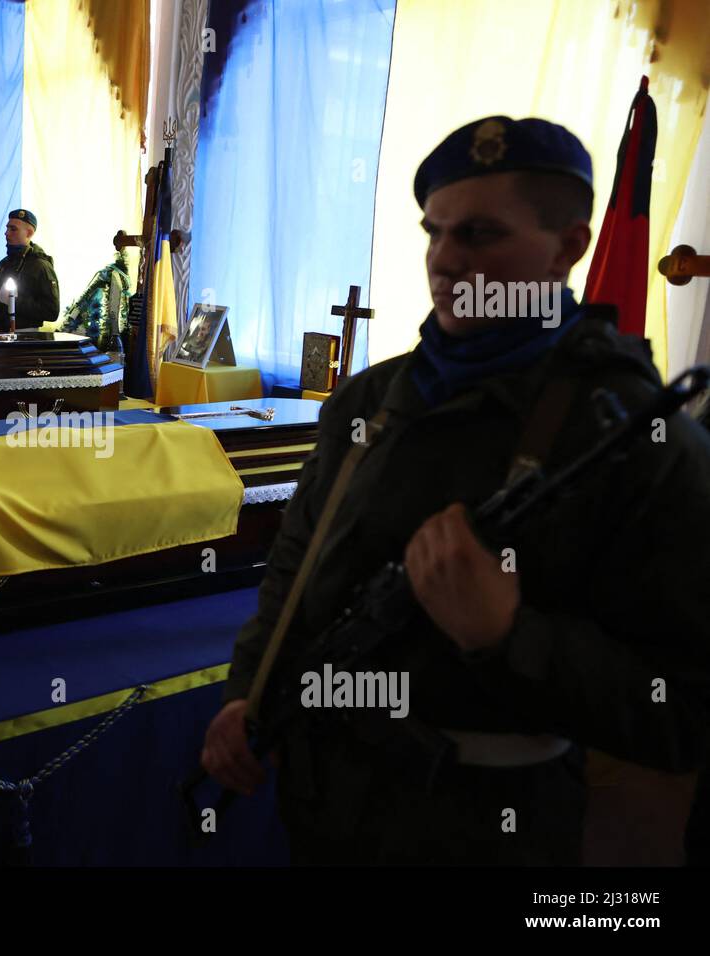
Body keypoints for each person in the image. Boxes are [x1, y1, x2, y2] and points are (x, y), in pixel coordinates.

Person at [201, 116, 710, 865]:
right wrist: (249, 688)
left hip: (486, 827)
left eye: (478, 236)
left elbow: (683, 709)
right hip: (324, 802)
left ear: (571, 247)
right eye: (433, 232)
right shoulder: (370, 398)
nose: (443, 261)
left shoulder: (634, 432)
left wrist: (511, 637)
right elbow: (298, 563)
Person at [0, 209, 59, 332]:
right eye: (7, 228)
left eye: (13, 229)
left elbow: (51, 312)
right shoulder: (2, 265)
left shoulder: (41, 266)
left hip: (25, 339)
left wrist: (14, 301)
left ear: (29, 233)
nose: (6, 233)